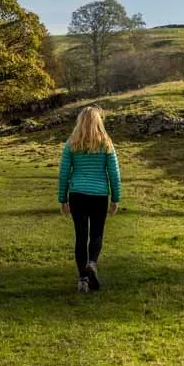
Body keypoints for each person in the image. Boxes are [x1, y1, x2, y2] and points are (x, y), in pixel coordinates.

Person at [57, 106, 122, 293]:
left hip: (77, 195)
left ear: (80, 122)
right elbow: (114, 174)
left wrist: (62, 199)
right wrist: (115, 199)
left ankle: (83, 280)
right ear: (98, 121)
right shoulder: (106, 143)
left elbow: (64, 174)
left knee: (80, 236)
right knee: (96, 234)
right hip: (99, 195)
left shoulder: (72, 143)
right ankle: (92, 263)